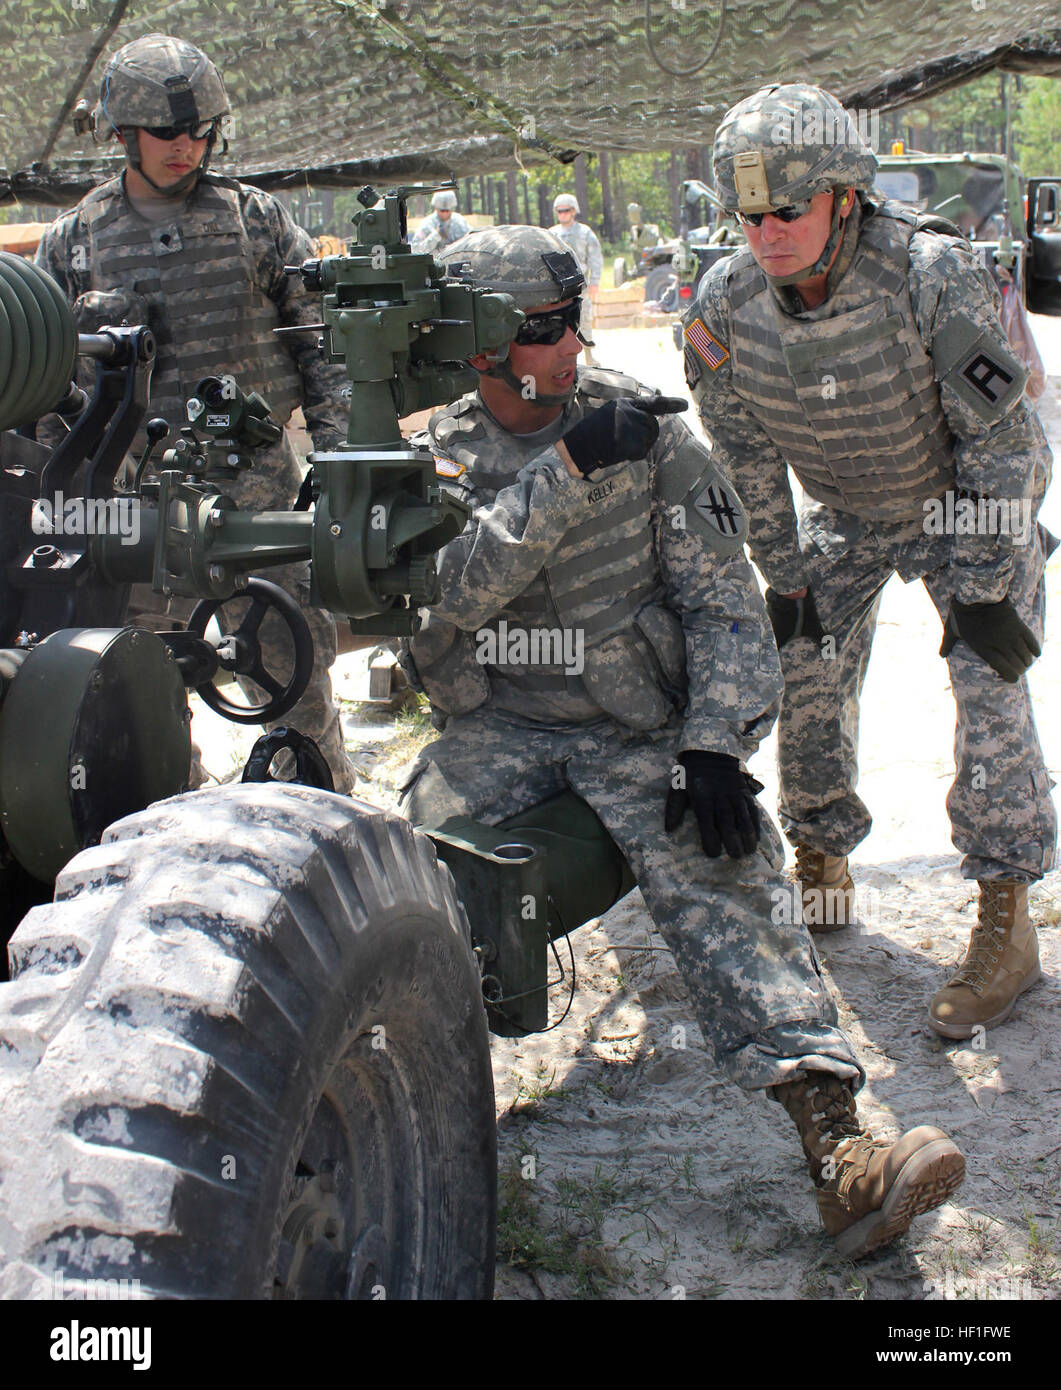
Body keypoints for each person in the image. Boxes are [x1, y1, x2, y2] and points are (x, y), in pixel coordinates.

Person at [397, 222, 965, 1258]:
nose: (568, 345)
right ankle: (397, 1133)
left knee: (728, 864)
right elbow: (443, 604)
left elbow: (723, 608)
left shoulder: (646, 429)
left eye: (573, 320)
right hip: (501, 723)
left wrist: (712, 743)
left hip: (633, 726)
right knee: (406, 874)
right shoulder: (431, 452)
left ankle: (841, 1150)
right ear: (478, 346)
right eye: (539, 329)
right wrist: (563, 470)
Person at [684, 82, 1056, 1038]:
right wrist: (785, 574)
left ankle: (1006, 916)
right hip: (848, 512)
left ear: (845, 197)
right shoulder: (724, 303)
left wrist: (981, 588)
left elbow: (1004, 446)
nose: (766, 234)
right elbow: (746, 456)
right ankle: (820, 868)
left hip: (966, 505)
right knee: (803, 666)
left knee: (988, 684)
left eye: (788, 211)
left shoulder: (932, 274)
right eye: (748, 215)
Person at [35, 33, 355, 790]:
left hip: (260, 512)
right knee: (128, 702)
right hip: (134, 517)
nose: (188, 146)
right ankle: (177, 821)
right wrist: (60, 505)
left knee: (295, 695)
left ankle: (327, 821)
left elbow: (323, 350)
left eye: (201, 131)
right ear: (121, 135)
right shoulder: (75, 241)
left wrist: (342, 464)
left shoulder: (256, 221)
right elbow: (50, 390)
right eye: (168, 132)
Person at [549, 193, 603, 364]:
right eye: (559, 211)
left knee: (584, 319)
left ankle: (588, 355)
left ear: (573, 211)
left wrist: (594, 281)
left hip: (580, 286)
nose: (562, 214)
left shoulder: (585, 233)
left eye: (565, 210)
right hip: (558, 287)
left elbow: (595, 258)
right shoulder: (552, 233)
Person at [410, 189, 470, 255]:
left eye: (447, 210)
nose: (444, 213)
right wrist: (435, 236)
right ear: (436, 207)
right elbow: (415, 249)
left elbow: (471, 242)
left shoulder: (460, 222)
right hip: (434, 264)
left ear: (452, 208)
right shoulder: (427, 224)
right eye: (442, 210)